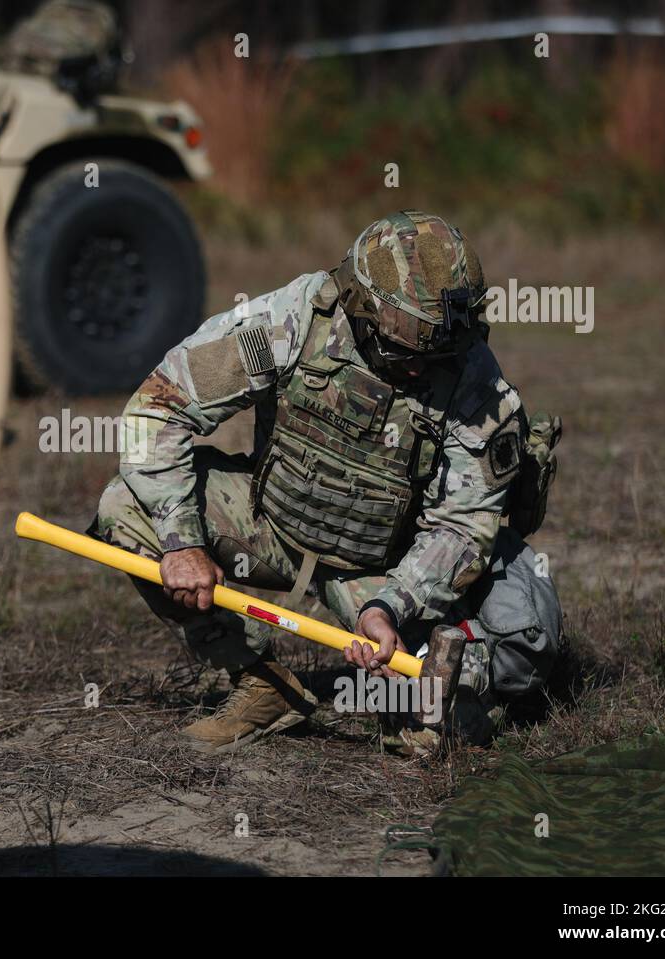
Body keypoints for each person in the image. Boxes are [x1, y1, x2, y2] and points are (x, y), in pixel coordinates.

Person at [90, 210, 563, 752]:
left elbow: (462, 527)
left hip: (381, 566)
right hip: (268, 524)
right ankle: (261, 684)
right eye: (402, 354)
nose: (419, 370)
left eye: (437, 357)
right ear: (360, 309)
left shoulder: (477, 384)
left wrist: (391, 606)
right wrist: (182, 542)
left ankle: (444, 681)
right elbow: (159, 406)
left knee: (433, 735)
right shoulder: (296, 319)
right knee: (123, 507)